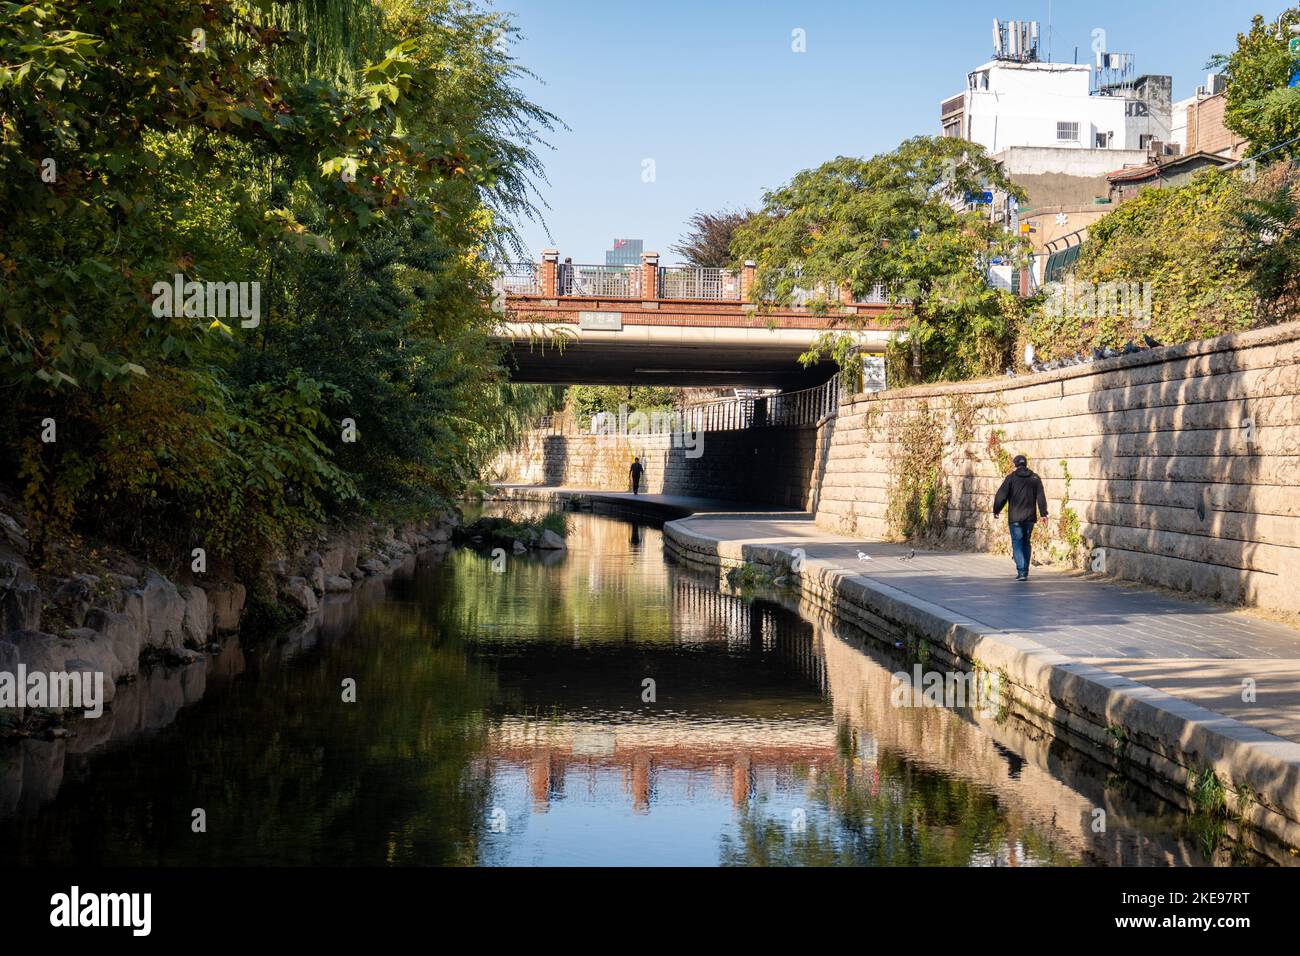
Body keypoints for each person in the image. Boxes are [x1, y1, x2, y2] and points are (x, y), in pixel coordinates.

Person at [993, 454, 1048, 581]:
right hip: (1030, 517)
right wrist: (1043, 514)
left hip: (1015, 518)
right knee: (1026, 542)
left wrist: (996, 510)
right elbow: (1041, 497)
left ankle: (1022, 571)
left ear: (1015, 464)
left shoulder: (1011, 478)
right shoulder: (1035, 478)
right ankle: (1025, 570)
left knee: (1017, 543)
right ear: (1026, 464)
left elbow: (1001, 496)